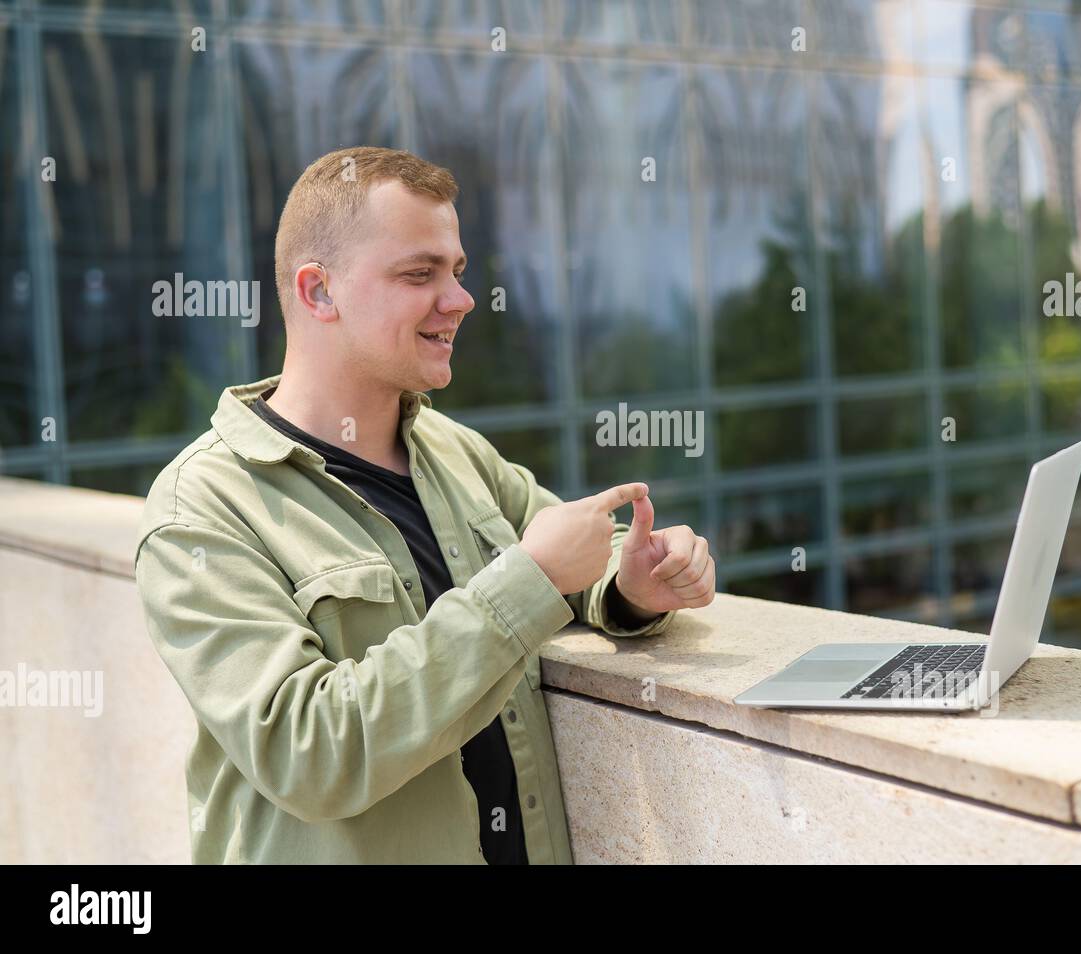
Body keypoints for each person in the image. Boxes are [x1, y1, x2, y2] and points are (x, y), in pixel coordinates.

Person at [133, 146, 716, 864]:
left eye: (458, 272)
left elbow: (571, 557)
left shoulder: (453, 450)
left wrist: (632, 585)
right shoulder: (200, 511)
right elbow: (310, 753)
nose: (462, 299)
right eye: (420, 274)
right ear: (318, 293)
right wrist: (528, 581)